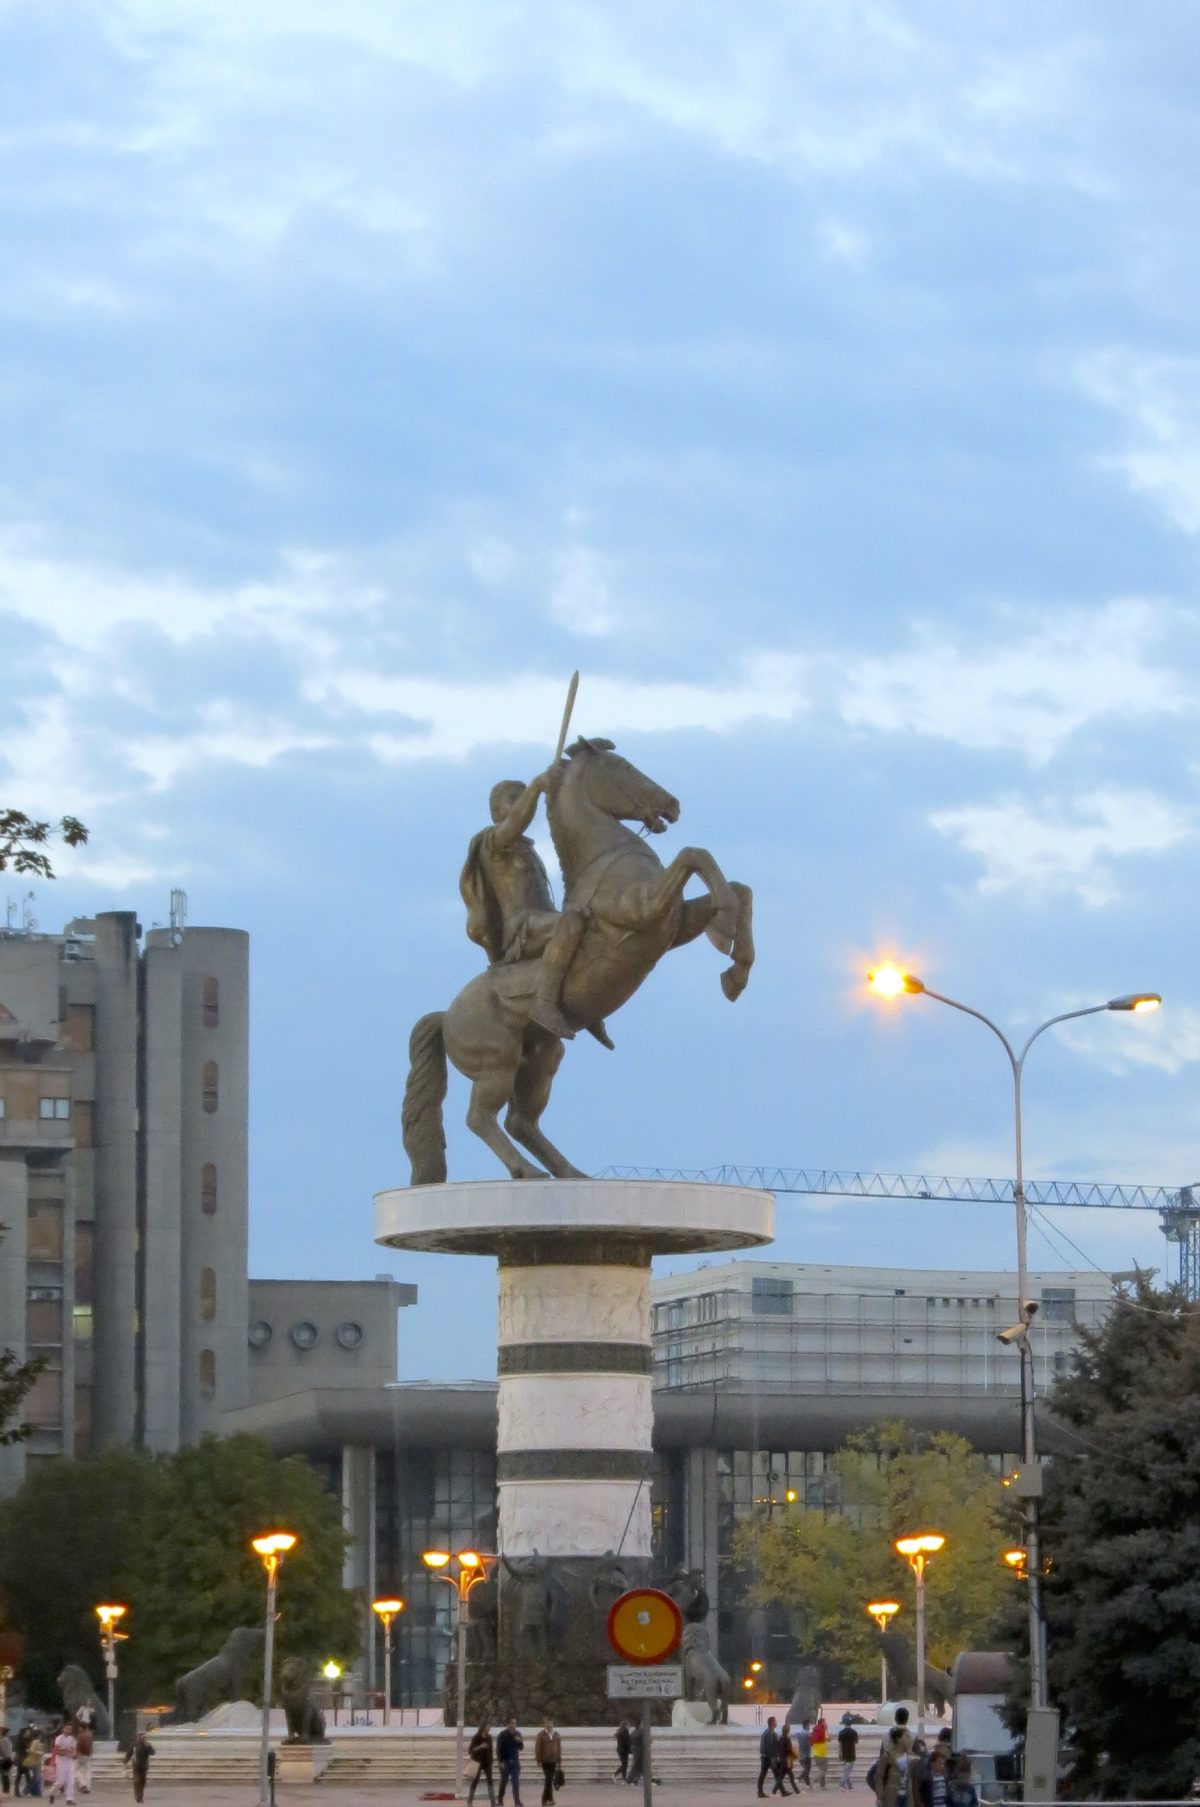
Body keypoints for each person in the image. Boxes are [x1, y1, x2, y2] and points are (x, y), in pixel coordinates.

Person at [460, 772, 607, 1045]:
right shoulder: (493, 842)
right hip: (522, 928)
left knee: (593, 921)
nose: (519, 804)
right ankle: (545, 1001)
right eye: (513, 799)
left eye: (522, 797)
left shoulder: (527, 848)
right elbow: (518, 820)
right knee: (570, 924)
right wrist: (538, 786)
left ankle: (587, 1007)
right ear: (495, 812)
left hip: (544, 920)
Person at [873, 1712, 914, 1807]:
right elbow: (879, 1775)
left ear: (895, 1718)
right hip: (897, 1794)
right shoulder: (912, 1735)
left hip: (902, 1794)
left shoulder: (886, 1736)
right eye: (906, 1737)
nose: (909, 1739)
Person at [534, 1717, 561, 1807]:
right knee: (548, 1780)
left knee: (549, 1780)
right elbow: (538, 1748)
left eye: (550, 1723)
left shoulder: (557, 1734)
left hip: (554, 1760)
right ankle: (544, 1799)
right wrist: (538, 1760)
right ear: (545, 1724)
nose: (549, 1725)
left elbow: (559, 1748)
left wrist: (559, 1760)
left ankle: (550, 1798)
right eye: (547, 1723)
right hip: (545, 1760)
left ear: (553, 1724)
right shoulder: (541, 1735)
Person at [497, 1719, 524, 1807]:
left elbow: (521, 1748)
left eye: (515, 1723)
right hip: (505, 1762)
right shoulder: (502, 1734)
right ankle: (500, 1800)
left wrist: (520, 1741)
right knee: (503, 1782)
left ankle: (517, 1801)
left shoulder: (518, 1734)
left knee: (515, 1782)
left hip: (515, 1762)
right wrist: (500, 1762)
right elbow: (498, 1749)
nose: (513, 1725)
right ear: (508, 1724)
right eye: (511, 1723)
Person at [468, 1722, 495, 1807]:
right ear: (483, 1727)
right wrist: (480, 1747)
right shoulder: (476, 1737)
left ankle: (493, 1802)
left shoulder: (489, 1737)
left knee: (490, 1781)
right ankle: (470, 1801)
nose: (489, 1728)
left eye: (490, 1727)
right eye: (488, 1726)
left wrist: (491, 1761)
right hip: (478, 1762)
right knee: (475, 1781)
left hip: (487, 1762)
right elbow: (470, 1750)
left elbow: (491, 1750)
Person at [122, 1735, 154, 1805]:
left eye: (144, 1737)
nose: (142, 1739)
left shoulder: (147, 1745)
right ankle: (138, 1796)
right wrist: (125, 1762)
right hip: (136, 1766)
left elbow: (153, 1753)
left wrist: (149, 1746)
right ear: (138, 1738)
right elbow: (129, 1753)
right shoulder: (134, 1745)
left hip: (144, 1766)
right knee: (137, 1781)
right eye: (141, 1737)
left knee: (143, 1781)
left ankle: (140, 1795)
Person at [47, 1727, 74, 1806]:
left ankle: (69, 1799)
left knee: (70, 1780)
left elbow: (72, 1750)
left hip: (69, 1762)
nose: (69, 1730)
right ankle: (52, 1793)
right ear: (63, 1729)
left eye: (70, 1729)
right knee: (60, 1781)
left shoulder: (71, 1739)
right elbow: (56, 1751)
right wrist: (65, 1752)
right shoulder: (59, 1739)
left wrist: (71, 1754)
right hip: (61, 1762)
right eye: (67, 1728)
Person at [757, 1717, 780, 1798]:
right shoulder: (768, 1733)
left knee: (776, 1774)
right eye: (775, 1721)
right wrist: (773, 1757)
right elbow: (768, 1747)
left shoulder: (772, 1732)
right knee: (767, 1774)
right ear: (772, 1723)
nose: (776, 1722)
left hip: (769, 1757)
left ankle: (761, 1792)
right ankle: (760, 1792)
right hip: (768, 1757)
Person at [774, 1725, 799, 1796]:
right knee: (789, 1777)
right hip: (787, 1760)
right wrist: (794, 1752)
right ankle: (797, 1791)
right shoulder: (787, 1739)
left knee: (784, 1776)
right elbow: (789, 1749)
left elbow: (778, 1749)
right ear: (788, 1731)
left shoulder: (780, 1739)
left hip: (781, 1759)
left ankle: (774, 1791)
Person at [71, 1721, 91, 1799]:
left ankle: (83, 1784)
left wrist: (76, 1754)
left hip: (81, 1754)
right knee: (87, 1771)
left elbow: (78, 1746)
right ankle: (88, 1786)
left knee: (76, 1770)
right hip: (88, 1755)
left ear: (81, 1727)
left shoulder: (80, 1735)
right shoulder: (90, 1735)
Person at [836, 1718, 858, 1791]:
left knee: (846, 1768)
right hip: (851, 1752)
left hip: (844, 1752)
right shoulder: (854, 1732)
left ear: (844, 1724)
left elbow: (839, 1744)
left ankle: (847, 1783)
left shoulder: (841, 1732)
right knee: (848, 1769)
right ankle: (842, 1782)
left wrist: (839, 1753)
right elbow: (856, 1742)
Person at [20, 1729, 43, 1800]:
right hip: (35, 1762)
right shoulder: (35, 1741)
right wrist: (39, 1752)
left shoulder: (37, 1742)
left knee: (38, 1778)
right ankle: (26, 1790)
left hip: (37, 1762)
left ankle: (36, 1792)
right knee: (36, 1778)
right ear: (39, 1735)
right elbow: (31, 1750)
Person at [810, 1713, 828, 1791]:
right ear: (822, 1723)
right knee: (824, 1769)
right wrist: (826, 1729)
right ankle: (814, 1780)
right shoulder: (823, 1730)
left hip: (815, 1753)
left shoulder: (815, 1730)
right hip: (822, 1753)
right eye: (825, 1722)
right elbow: (828, 1739)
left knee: (821, 1769)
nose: (826, 1723)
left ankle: (822, 1786)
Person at [794, 1721, 812, 1790]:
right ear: (807, 1726)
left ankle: (808, 1784)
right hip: (806, 1755)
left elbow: (796, 1734)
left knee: (805, 1770)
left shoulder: (799, 1734)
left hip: (800, 1755)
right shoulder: (808, 1734)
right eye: (809, 1725)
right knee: (807, 1770)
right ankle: (798, 1779)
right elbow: (811, 1742)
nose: (810, 1727)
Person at [614, 1717, 632, 1783]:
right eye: (629, 1724)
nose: (629, 1726)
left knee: (624, 1764)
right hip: (624, 1750)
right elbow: (627, 1741)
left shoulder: (620, 1730)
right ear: (626, 1724)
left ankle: (623, 1778)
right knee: (624, 1764)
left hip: (620, 1750)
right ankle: (615, 1775)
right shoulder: (625, 1731)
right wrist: (630, 1750)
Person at [0, 1728, 13, 1797]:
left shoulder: (5, 1740)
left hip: (5, 1760)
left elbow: (6, 1751)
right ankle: (6, 1791)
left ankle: (6, 1791)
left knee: (4, 1776)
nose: (10, 1734)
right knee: (5, 1776)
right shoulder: (5, 1740)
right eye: (8, 1732)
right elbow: (5, 1751)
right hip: (6, 1760)